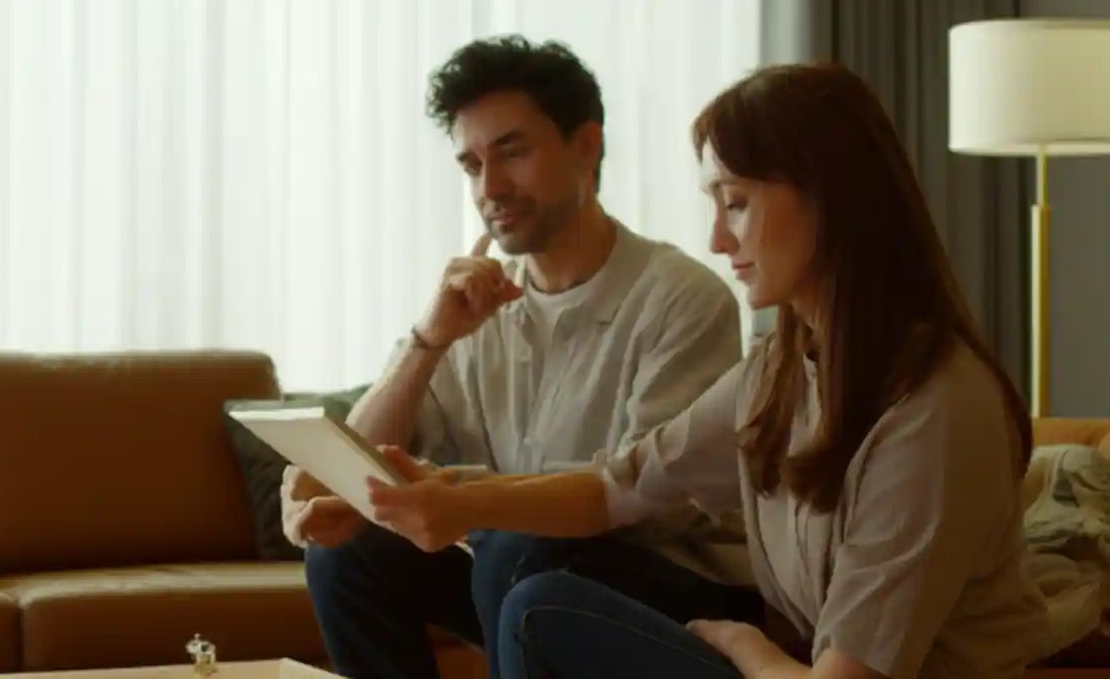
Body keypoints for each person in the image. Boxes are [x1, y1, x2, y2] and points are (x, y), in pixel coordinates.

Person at [366, 62, 1051, 679]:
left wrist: (747, 647)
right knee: (532, 601)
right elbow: (616, 487)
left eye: (736, 203)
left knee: (538, 607)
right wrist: (458, 500)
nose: (718, 240)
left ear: (829, 195)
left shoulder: (932, 407)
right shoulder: (780, 373)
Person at [280, 35, 763, 679]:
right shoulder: (479, 304)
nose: (490, 187)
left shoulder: (681, 297)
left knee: (512, 543)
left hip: (679, 581)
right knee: (347, 553)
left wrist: (472, 499)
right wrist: (430, 338)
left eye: (512, 152)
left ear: (585, 146)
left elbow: (653, 501)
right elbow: (357, 472)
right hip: (521, 563)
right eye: (471, 165)